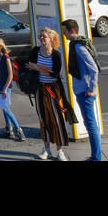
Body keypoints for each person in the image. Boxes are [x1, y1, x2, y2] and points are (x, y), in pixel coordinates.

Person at [26, 28, 70, 160]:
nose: (41, 38)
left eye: (44, 36)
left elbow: (54, 74)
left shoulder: (56, 54)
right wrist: (43, 69)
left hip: (53, 90)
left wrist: (38, 67)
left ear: (51, 39)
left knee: (56, 119)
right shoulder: (35, 51)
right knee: (43, 119)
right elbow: (29, 66)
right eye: (40, 36)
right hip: (39, 89)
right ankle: (46, 149)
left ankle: (60, 151)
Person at [62, 19, 102, 161]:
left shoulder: (78, 47)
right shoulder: (77, 44)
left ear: (72, 31)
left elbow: (94, 69)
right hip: (82, 90)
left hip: (85, 92)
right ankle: (95, 156)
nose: (64, 34)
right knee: (90, 124)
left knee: (91, 126)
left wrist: (91, 89)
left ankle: (96, 158)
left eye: (65, 31)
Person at [0, 37, 25, 141]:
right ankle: (9, 130)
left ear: (0, 46)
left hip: (6, 86)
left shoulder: (6, 57)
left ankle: (19, 130)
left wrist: (5, 88)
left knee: (6, 108)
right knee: (3, 107)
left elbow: (10, 75)